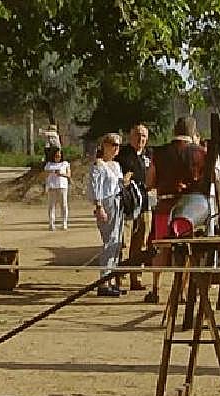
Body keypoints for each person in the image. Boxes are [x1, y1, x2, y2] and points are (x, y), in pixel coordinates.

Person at [145, 117, 208, 305]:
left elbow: (150, 181)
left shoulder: (160, 152)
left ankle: (155, 288)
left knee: (161, 248)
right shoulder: (200, 153)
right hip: (189, 210)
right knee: (186, 249)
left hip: (164, 206)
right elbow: (207, 182)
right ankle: (180, 290)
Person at [115, 124, 153, 291]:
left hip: (145, 205)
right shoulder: (122, 156)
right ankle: (118, 279)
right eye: (137, 135)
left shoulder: (149, 155)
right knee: (123, 242)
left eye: (144, 136)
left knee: (141, 243)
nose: (140, 139)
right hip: (127, 207)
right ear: (131, 136)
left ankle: (136, 278)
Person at [88, 133, 126, 296]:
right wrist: (99, 206)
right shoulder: (99, 165)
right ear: (104, 145)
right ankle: (103, 281)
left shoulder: (116, 165)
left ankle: (110, 279)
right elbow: (95, 188)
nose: (116, 148)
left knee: (116, 242)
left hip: (117, 202)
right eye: (113, 144)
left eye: (118, 145)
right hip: (106, 203)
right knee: (109, 241)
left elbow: (118, 184)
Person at [42, 145, 71, 230]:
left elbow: (69, 175)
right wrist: (50, 172)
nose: (57, 157)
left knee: (64, 205)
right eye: (56, 156)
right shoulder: (49, 164)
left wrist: (61, 174)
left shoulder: (65, 164)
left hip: (62, 186)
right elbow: (44, 174)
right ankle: (51, 223)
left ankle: (64, 222)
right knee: (52, 206)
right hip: (52, 187)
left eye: (59, 156)